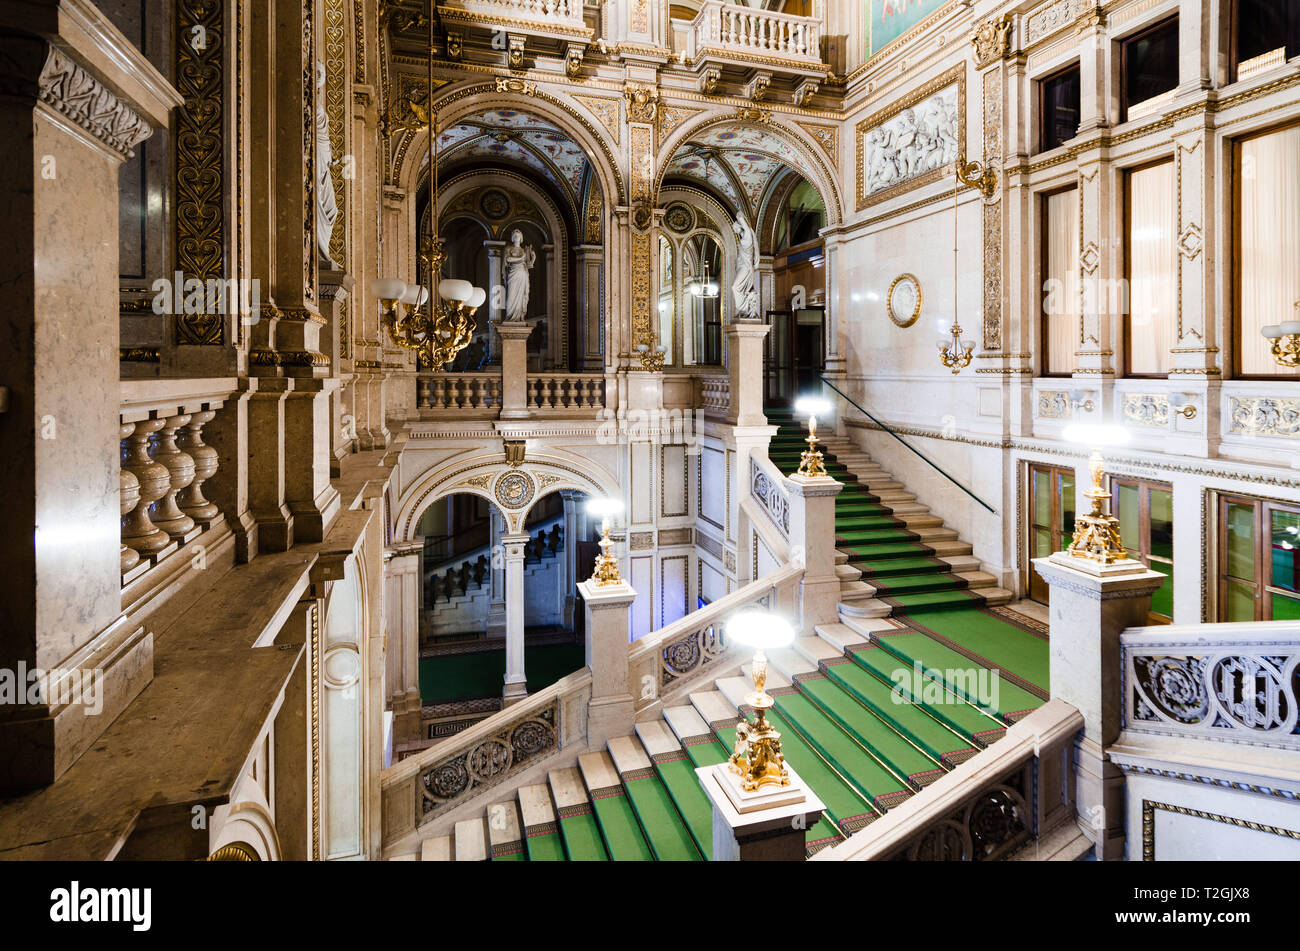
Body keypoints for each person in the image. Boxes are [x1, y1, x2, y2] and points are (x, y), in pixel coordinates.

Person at [503, 229, 536, 321]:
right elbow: (508, 259)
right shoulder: (508, 248)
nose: (516, 237)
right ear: (512, 238)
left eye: (518, 235)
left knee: (522, 296)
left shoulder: (524, 250)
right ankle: (510, 317)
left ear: (521, 238)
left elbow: (529, 265)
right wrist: (521, 257)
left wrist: (533, 258)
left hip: (523, 274)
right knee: (511, 296)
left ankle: (519, 317)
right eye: (514, 235)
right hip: (513, 274)